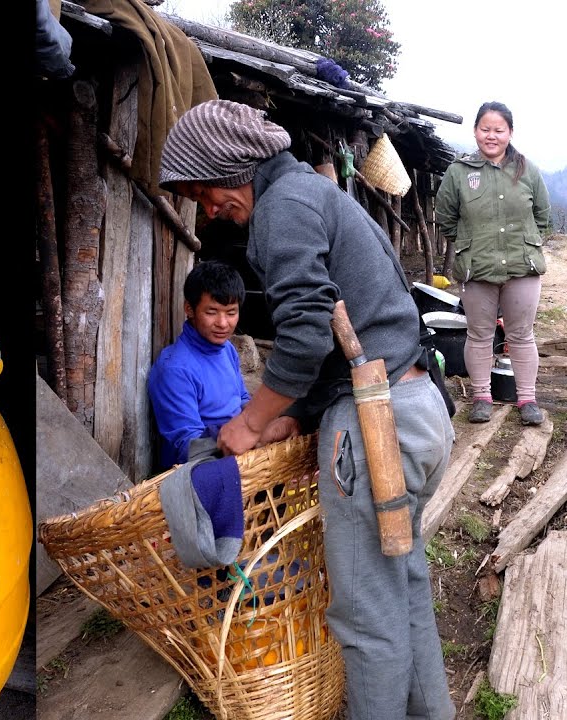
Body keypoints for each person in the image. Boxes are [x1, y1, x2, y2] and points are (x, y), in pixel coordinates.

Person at [159, 99, 456, 720]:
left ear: (231, 162)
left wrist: (251, 421)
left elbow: (303, 336)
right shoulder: (314, 195)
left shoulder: (284, 208)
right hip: (418, 403)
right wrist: (296, 415)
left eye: (205, 190)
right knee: (402, 584)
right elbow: (350, 325)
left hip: (377, 420)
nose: (209, 209)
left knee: (364, 612)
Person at [434, 101, 552, 427]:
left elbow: (542, 215)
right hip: (477, 267)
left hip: (522, 266)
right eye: (485, 129)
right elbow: (445, 218)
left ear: (509, 133)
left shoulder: (527, 170)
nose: (491, 136)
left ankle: (526, 398)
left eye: (498, 130)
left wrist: (526, 242)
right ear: (475, 131)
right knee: (480, 334)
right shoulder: (458, 172)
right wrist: (471, 243)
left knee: (522, 335)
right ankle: (482, 396)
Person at [147, 260, 252, 470]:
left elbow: (241, 399)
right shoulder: (175, 369)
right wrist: (240, 435)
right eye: (211, 312)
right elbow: (188, 446)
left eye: (231, 313)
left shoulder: (227, 350)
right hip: (203, 471)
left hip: (241, 454)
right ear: (189, 309)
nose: (223, 324)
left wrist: (260, 424)